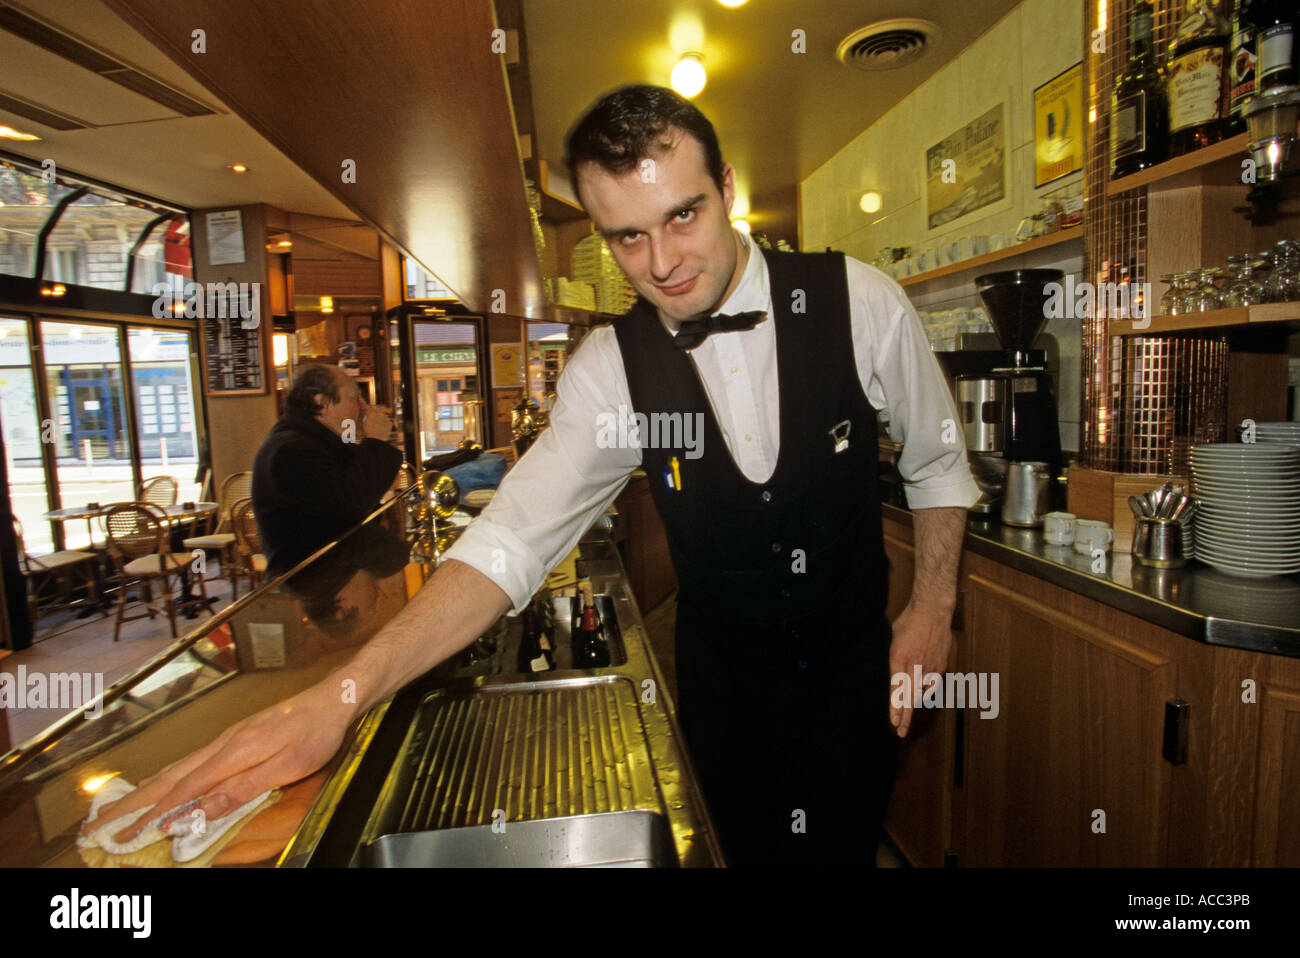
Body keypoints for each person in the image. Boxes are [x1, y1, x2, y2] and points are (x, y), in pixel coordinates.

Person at [95, 86, 976, 866]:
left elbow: (939, 460)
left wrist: (932, 609)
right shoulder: (614, 369)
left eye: (683, 216)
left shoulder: (857, 301)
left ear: (730, 190)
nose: (663, 261)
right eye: (628, 237)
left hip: (855, 680)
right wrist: (337, 696)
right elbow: (510, 541)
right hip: (722, 697)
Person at [252, 364, 403, 577]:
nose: (361, 407)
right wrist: (376, 440)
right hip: (313, 583)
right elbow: (353, 501)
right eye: (353, 398)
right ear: (321, 402)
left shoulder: (317, 440)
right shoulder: (291, 450)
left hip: (337, 571)